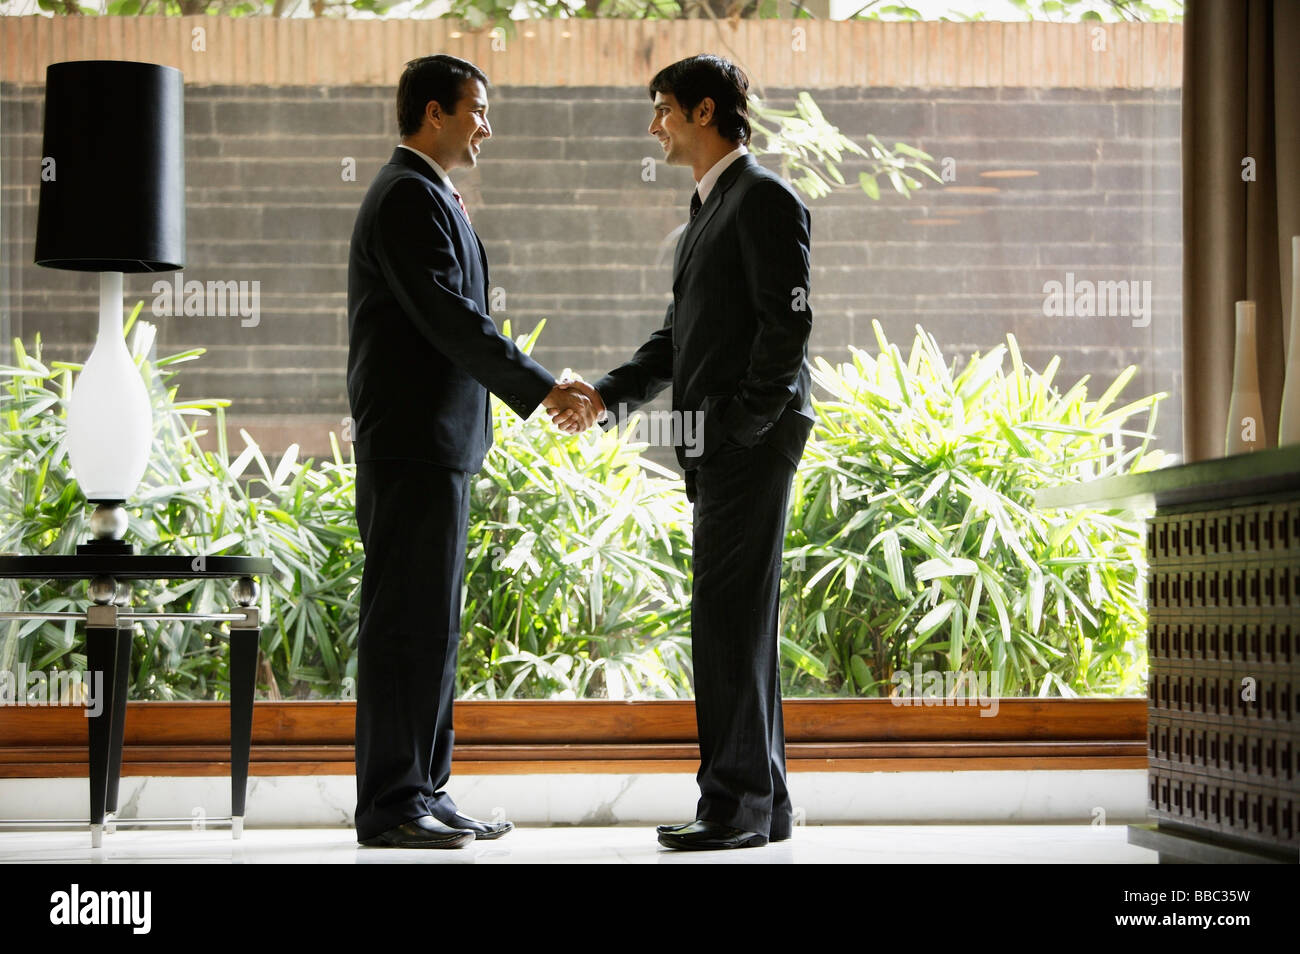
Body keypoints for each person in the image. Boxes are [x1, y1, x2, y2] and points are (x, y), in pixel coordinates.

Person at [561, 54, 815, 850]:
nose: (654, 127)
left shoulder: (764, 198)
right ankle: (763, 804)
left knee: (726, 624)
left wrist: (741, 425)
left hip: (746, 445)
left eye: (663, 109)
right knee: (736, 624)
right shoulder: (708, 207)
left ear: (705, 112)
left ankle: (733, 809)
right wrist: (605, 396)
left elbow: (788, 325)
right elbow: (677, 340)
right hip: (717, 447)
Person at [346, 54, 595, 849]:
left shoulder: (430, 193)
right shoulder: (406, 196)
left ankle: (426, 788)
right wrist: (543, 387)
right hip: (411, 446)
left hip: (439, 446)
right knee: (404, 627)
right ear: (434, 113)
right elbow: (453, 319)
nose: (486, 127)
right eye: (476, 110)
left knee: (433, 626)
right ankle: (392, 803)